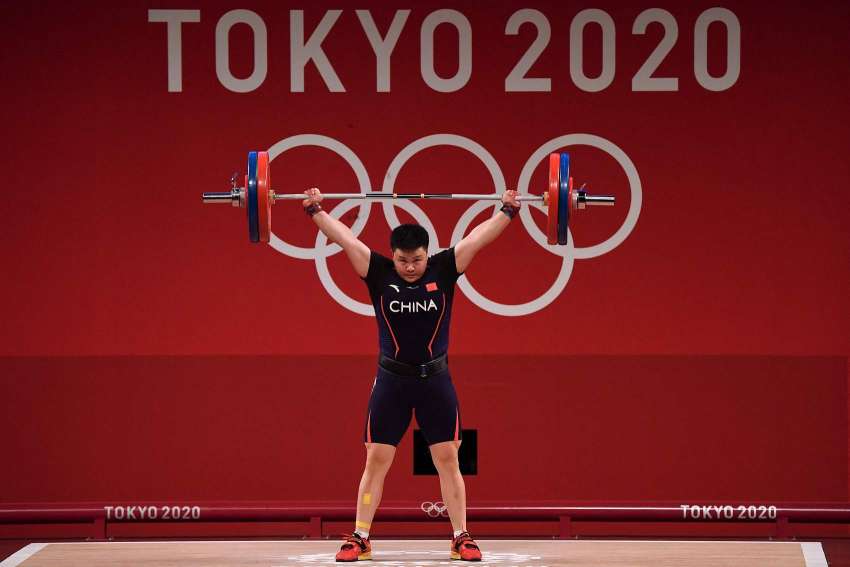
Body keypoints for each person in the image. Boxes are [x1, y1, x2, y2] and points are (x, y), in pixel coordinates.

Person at [302, 188, 521, 562]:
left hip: (435, 381)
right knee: (376, 459)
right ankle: (361, 537)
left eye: (416, 260)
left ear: (426, 254)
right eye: (403, 260)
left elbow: (478, 238)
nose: (409, 267)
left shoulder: (444, 268)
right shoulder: (378, 272)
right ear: (393, 255)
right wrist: (314, 211)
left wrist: (508, 211)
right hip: (392, 382)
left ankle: (461, 536)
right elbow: (345, 238)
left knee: (448, 458)